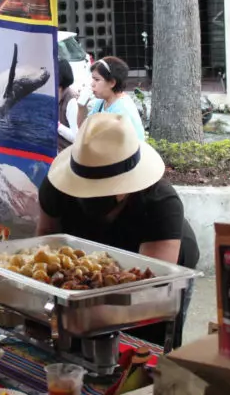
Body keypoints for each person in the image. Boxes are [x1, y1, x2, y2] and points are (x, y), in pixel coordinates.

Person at [37, 113, 199, 350]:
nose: (90, 195)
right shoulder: (55, 188)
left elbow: (148, 287)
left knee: (144, 344)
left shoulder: (160, 202)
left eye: (101, 188)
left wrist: (84, 314)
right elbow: (44, 245)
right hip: (87, 272)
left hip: (157, 267)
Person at [77, 56, 145, 140]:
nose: (92, 84)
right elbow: (83, 131)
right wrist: (81, 106)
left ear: (112, 82)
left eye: (97, 80)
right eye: (92, 79)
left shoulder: (122, 110)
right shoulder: (102, 102)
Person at [57, 59, 79, 152]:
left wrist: (57, 125)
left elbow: (76, 137)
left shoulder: (71, 101)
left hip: (65, 156)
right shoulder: (53, 96)